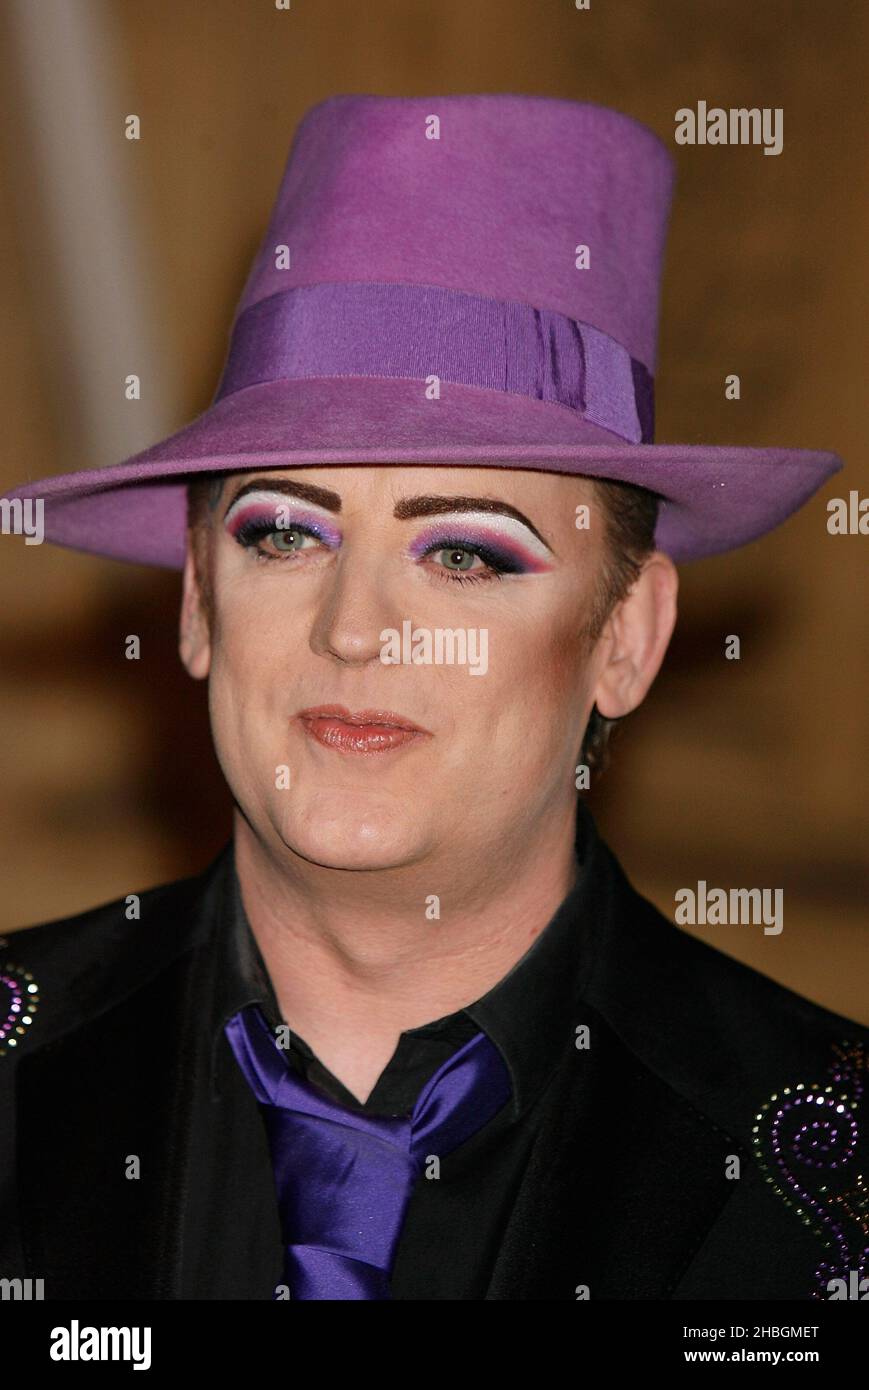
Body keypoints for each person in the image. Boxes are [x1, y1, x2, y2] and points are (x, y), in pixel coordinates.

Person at [1, 93, 866, 1302]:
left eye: (463, 552)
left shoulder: (832, 1169)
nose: (352, 629)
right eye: (285, 534)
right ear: (198, 598)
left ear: (624, 635)